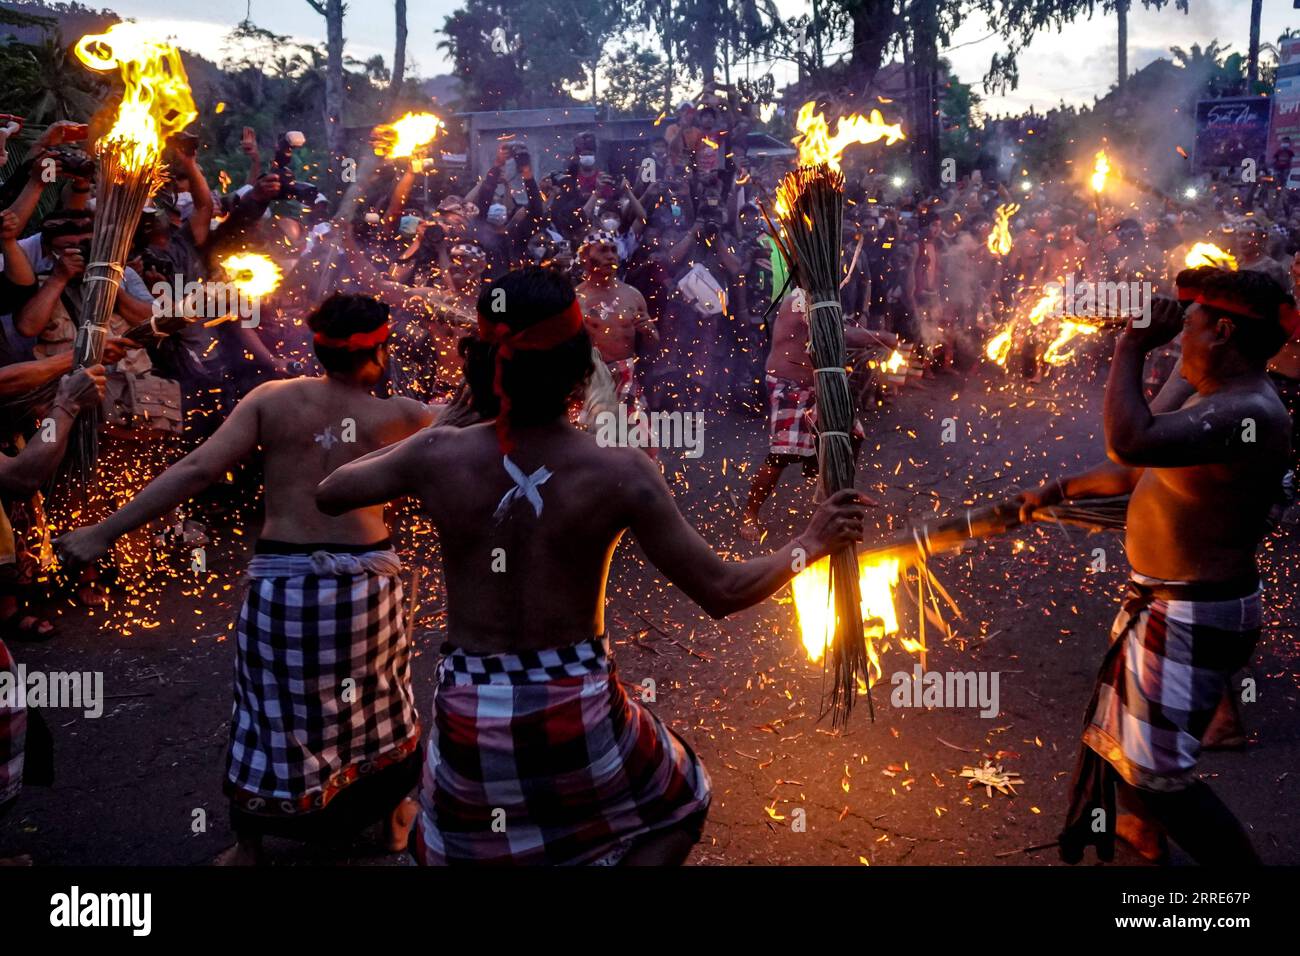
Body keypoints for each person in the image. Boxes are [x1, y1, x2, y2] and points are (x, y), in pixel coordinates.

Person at [314, 267, 870, 865]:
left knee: (452, 848)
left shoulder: (436, 455)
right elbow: (723, 589)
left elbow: (332, 491)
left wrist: (442, 429)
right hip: (578, 709)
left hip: (470, 713)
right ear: (583, 369)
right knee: (682, 801)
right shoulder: (620, 471)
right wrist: (810, 542)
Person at [54, 294, 438, 865]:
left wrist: (102, 532)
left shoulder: (273, 399)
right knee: (378, 701)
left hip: (283, 585)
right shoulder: (405, 415)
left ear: (316, 347)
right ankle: (388, 817)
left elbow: (198, 468)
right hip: (364, 588)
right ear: (378, 353)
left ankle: (250, 848)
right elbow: (477, 433)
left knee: (270, 710)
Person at [1020, 270, 1296, 865]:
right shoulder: (1215, 390)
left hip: (1191, 614)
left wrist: (1129, 347)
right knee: (1132, 758)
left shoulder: (1247, 411)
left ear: (1223, 331)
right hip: (1163, 604)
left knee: (1159, 780)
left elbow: (1132, 442)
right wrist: (1060, 488)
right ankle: (1144, 856)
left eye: (1188, 327)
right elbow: (1134, 466)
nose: (1177, 338)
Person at [575, 231, 656, 419]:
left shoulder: (633, 295)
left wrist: (650, 332)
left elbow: (652, 347)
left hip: (628, 383)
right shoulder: (576, 300)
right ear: (584, 258)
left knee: (642, 445)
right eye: (603, 250)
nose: (611, 255)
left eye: (613, 250)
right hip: (590, 384)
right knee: (593, 445)